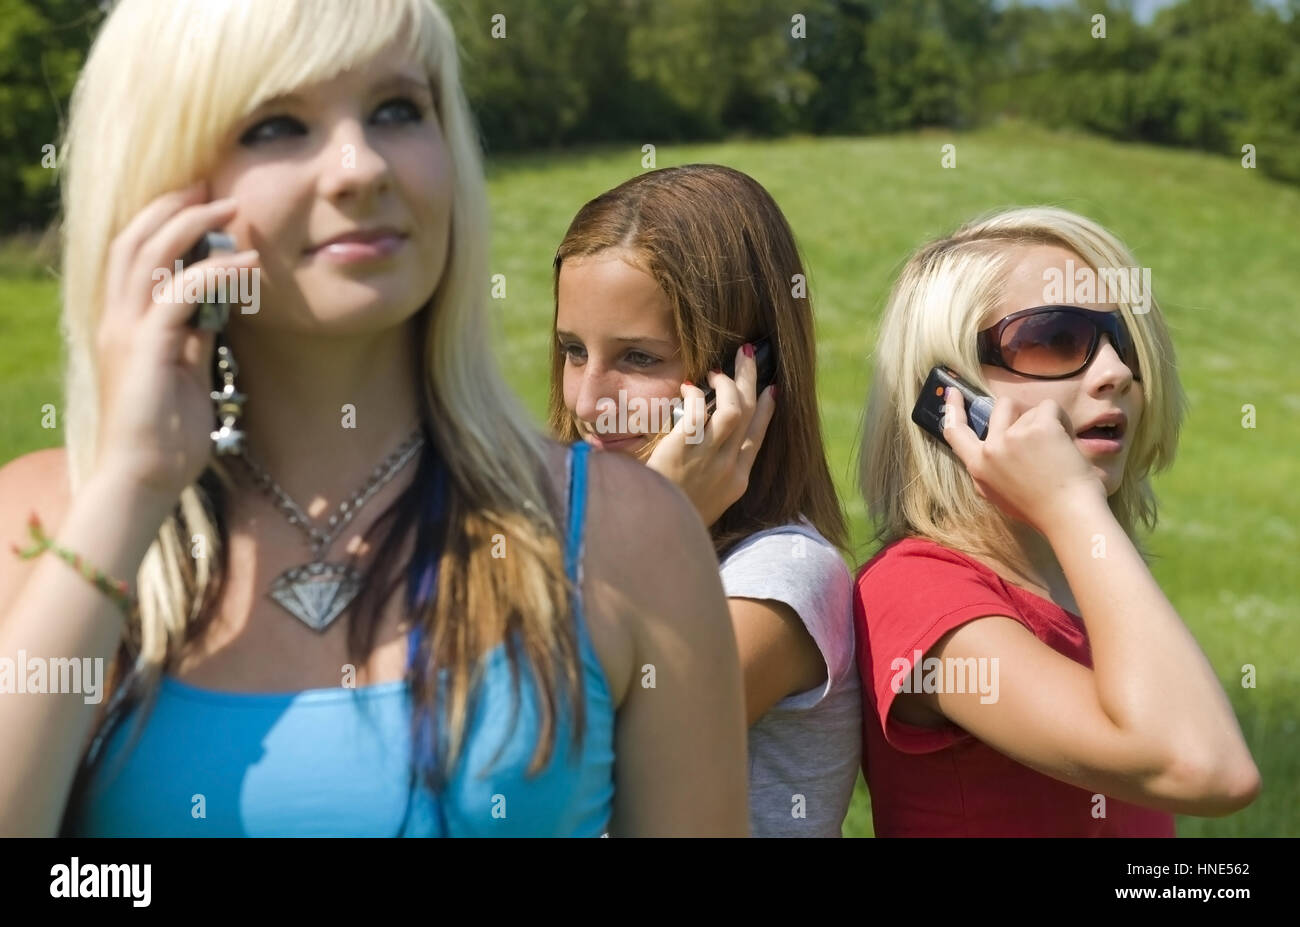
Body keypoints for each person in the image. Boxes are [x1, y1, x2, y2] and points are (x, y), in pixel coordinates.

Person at [0, 0, 748, 838]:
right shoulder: (35, 529)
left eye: (397, 109)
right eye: (279, 125)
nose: (360, 167)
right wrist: (130, 490)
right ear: (158, 190)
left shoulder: (625, 532)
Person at [854, 205, 1260, 836]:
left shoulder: (1077, 582)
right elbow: (1206, 768)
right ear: (950, 393)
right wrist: (1073, 508)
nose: (1118, 373)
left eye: (1122, 340)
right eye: (1053, 338)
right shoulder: (919, 597)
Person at [549, 164, 861, 836]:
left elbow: (552, 771)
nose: (588, 400)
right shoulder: (560, 535)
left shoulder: (778, 581)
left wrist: (658, 515)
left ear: (746, 374)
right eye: (574, 350)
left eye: (637, 358)